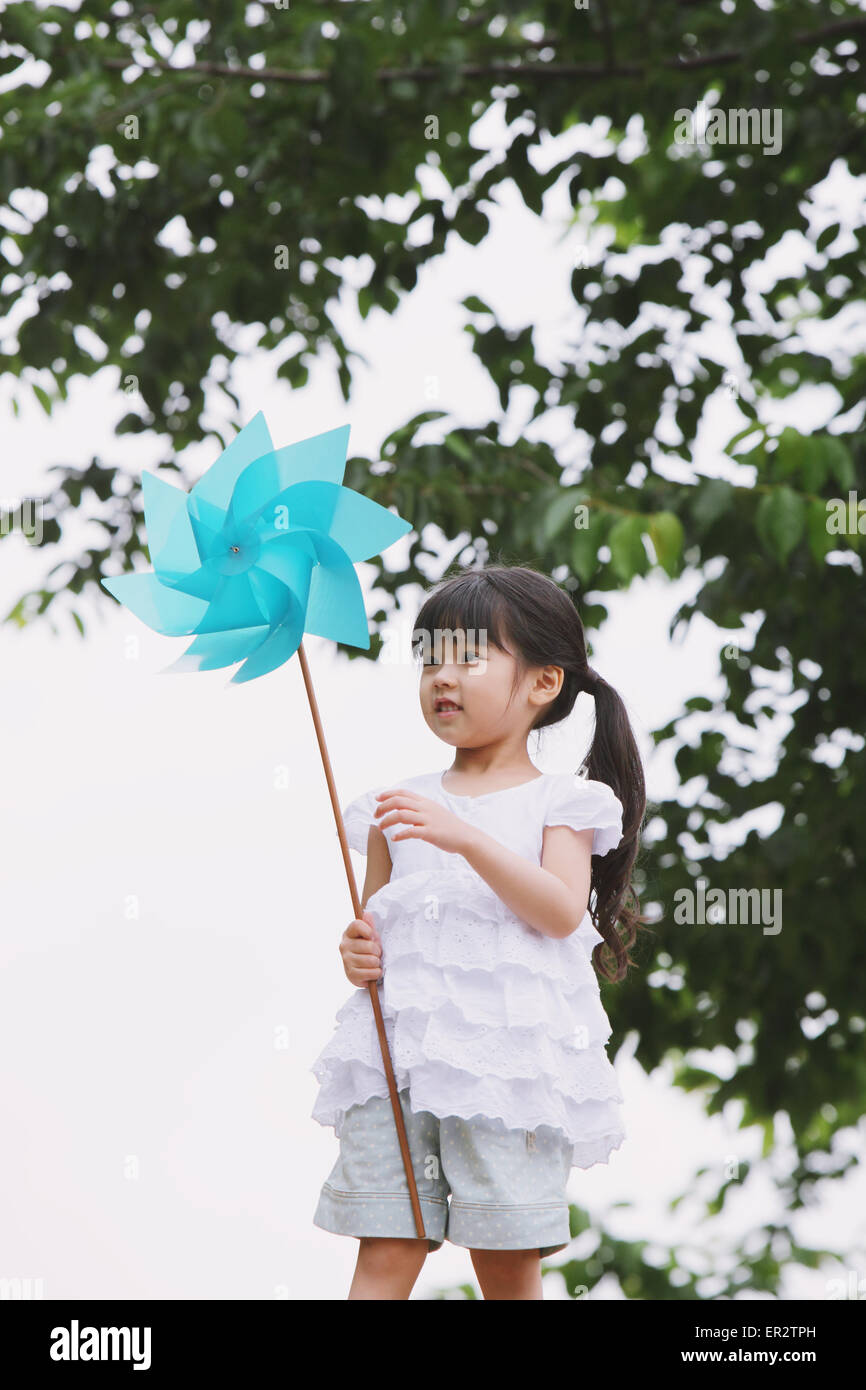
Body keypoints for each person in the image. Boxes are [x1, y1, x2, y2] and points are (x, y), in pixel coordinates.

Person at [309, 562, 648, 1299]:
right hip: (398, 1062)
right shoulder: (393, 807)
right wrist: (356, 951)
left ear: (542, 684)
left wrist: (463, 837)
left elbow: (560, 911)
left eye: (468, 656)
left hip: (508, 1066)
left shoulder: (565, 800)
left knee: (505, 1257)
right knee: (388, 1242)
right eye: (430, 657)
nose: (441, 676)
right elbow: (376, 928)